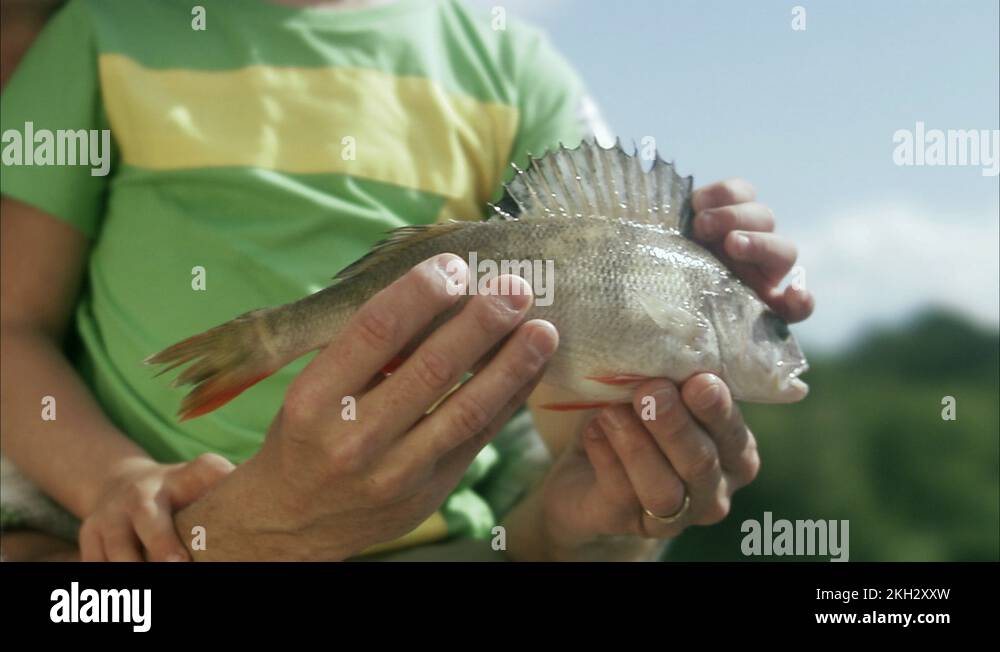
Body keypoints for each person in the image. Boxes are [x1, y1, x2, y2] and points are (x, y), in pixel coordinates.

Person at [0, 0, 814, 561]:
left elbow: (573, 426)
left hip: (450, 540)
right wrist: (113, 479)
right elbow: (12, 324)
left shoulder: (513, 64)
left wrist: (613, 488)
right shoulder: (100, 29)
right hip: (146, 536)